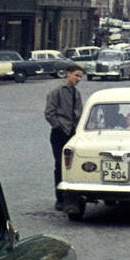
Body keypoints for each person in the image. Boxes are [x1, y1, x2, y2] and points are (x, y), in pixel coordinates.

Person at [44, 65, 85, 209]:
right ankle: (60, 198)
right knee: (60, 166)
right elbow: (49, 112)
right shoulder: (56, 92)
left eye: (80, 76)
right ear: (68, 74)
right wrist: (58, 126)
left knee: (73, 165)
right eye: (76, 75)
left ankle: (72, 196)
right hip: (59, 133)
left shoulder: (77, 93)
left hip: (73, 134)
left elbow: (79, 112)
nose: (78, 79)